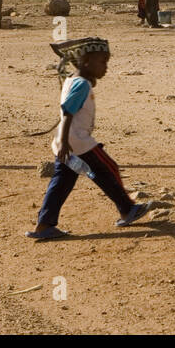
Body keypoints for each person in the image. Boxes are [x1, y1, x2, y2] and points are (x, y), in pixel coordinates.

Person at [26, 37, 150, 241]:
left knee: (61, 183)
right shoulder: (82, 84)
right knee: (109, 168)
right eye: (102, 61)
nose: (106, 67)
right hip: (78, 142)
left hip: (64, 142)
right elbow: (68, 112)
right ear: (86, 62)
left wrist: (63, 143)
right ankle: (128, 209)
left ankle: (45, 224)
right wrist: (67, 142)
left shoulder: (72, 80)